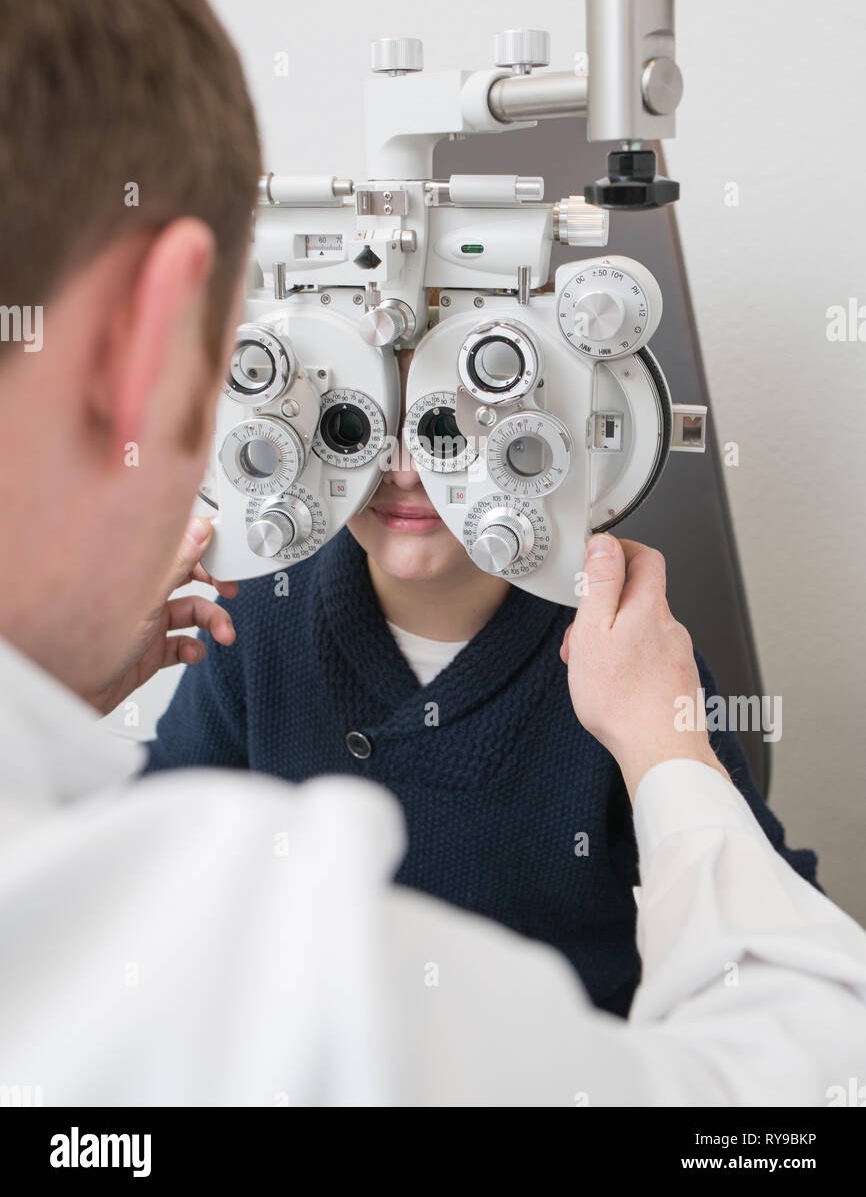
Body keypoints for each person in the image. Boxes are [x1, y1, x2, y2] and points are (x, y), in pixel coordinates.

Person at [0, 0, 864, 1107]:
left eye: (454, 421)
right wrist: (669, 753)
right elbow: (798, 1083)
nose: (405, 455)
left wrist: (46, 693)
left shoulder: (600, 662)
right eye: (357, 420)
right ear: (154, 330)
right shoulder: (260, 628)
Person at [148, 348, 818, 1016]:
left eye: (446, 432)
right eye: (354, 428)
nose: (404, 472)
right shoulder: (261, 613)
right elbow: (150, 860)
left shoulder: (619, 648)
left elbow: (774, 919)